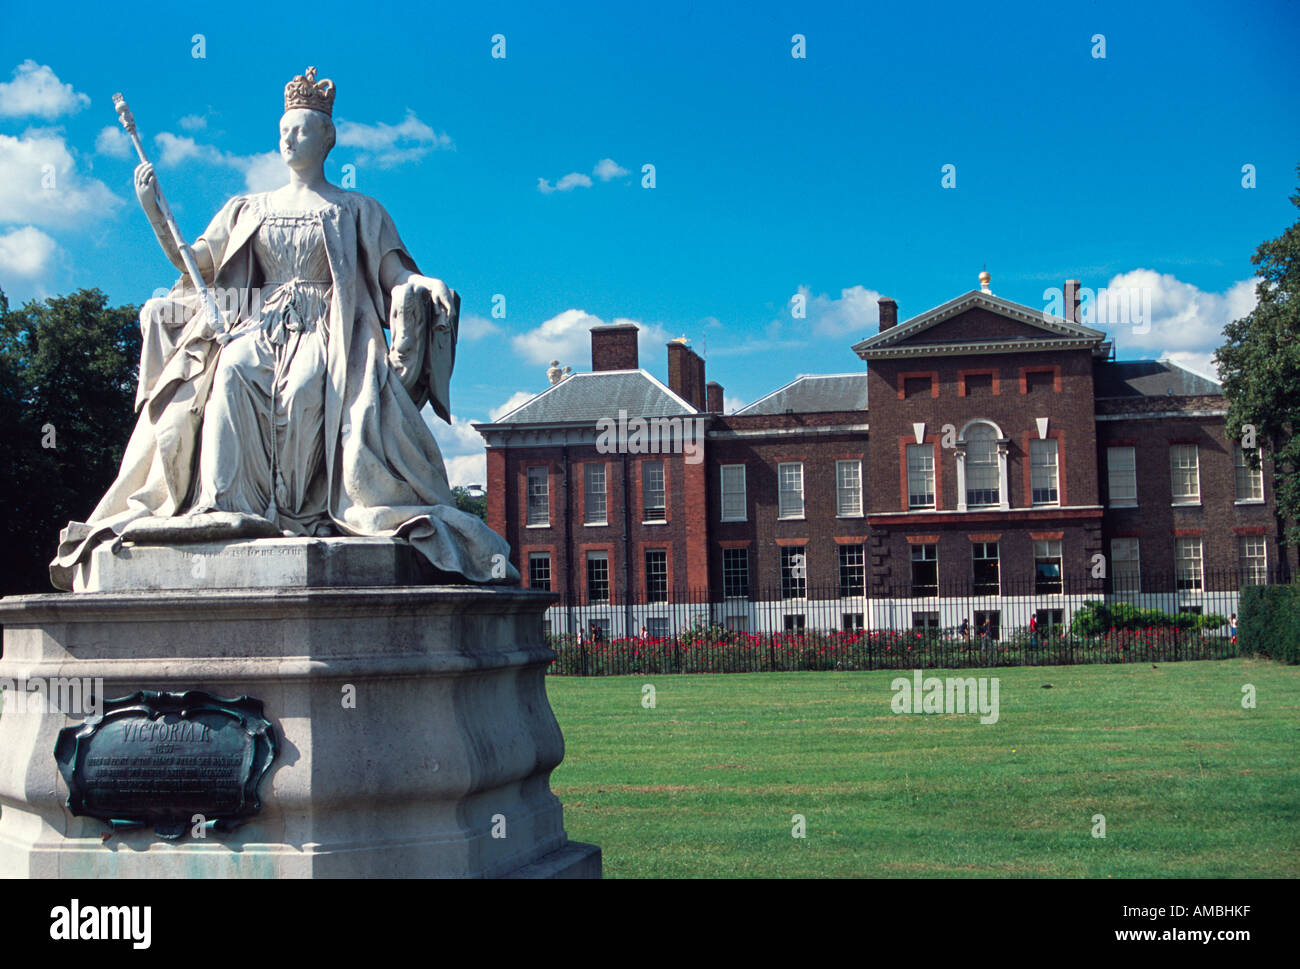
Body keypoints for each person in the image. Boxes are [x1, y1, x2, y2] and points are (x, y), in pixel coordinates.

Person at [50, 68, 515, 588]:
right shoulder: (249, 207)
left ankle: (298, 511)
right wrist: (155, 214)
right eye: (283, 131)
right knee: (231, 371)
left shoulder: (357, 208)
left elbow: (394, 274)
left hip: (327, 328)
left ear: (327, 138)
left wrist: (423, 282)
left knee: (307, 386)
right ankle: (225, 506)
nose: (289, 139)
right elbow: (194, 264)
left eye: (301, 129)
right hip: (257, 324)